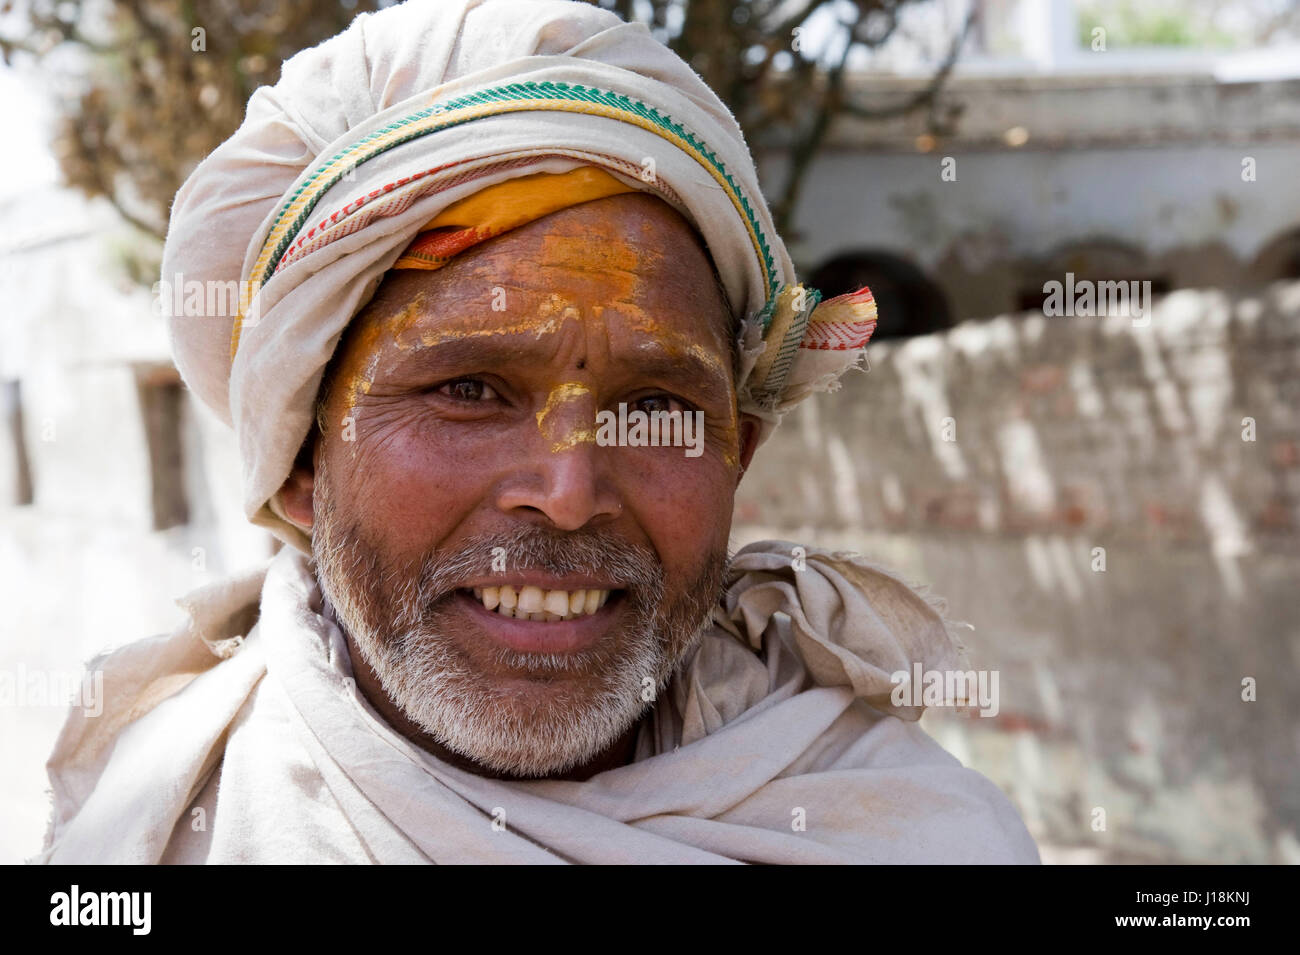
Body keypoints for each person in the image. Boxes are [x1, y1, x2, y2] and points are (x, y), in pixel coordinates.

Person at [36, 0, 1039, 864]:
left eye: (655, 405)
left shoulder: (906, 833)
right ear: (298, 461)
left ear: (738, 448)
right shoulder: (160, 832)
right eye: (469, 388)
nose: (567, 489)